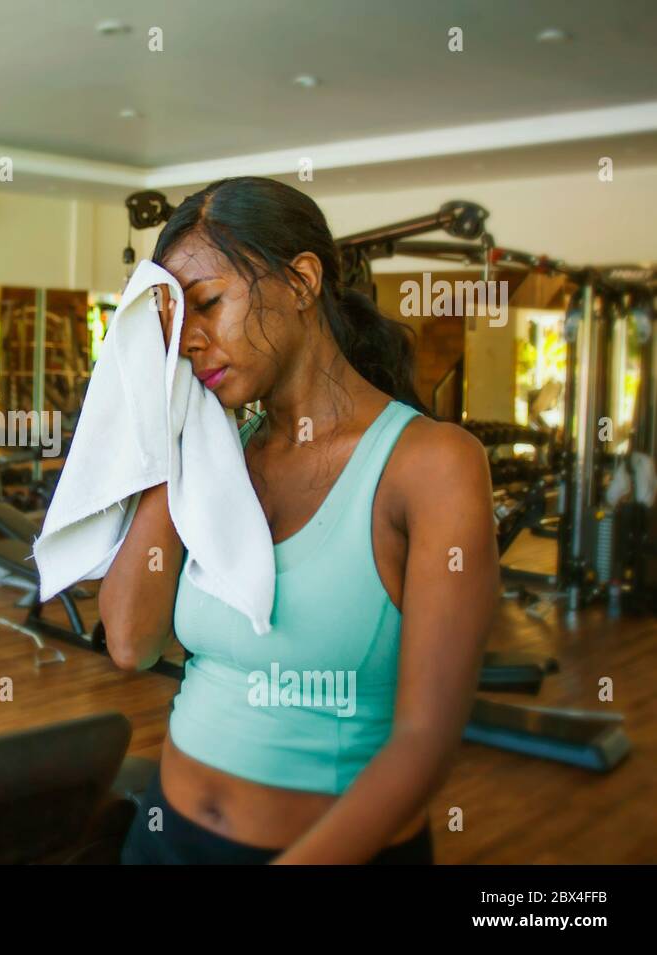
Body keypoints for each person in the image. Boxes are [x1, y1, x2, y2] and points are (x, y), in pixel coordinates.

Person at [106, 177, 498, 865]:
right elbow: (130, 640)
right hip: (165, 837)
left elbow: (425, 742)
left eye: (207, 304)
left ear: (301, 281)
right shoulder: (219, 457)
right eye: (175, 326)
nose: (190, 342)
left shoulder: (432, 465)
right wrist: (175, 433)